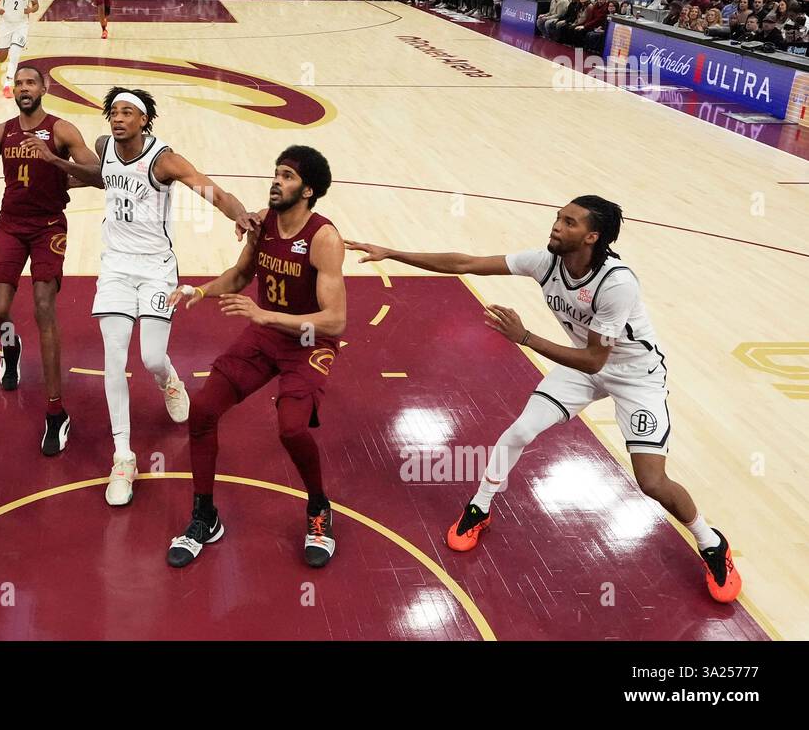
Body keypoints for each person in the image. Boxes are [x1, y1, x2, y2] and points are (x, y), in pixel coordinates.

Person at [344, 196, 742, 603]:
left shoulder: (616, 283)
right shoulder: (544, 261)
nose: (555, 226)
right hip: (583, 364)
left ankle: (711, 543)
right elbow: (464, 263)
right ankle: (479, 508)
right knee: (519, 431)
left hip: (634, 377)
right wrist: (393, 253)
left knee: (652, 482)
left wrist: (525, 338)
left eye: (568, 222)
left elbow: (593, 359)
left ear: (592, 236)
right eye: (557, 218)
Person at [165, 146, 346, 568]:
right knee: (203, 410)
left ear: (308, 190)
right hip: (265, 336)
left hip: (308, 342)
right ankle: (204, 516)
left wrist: (264, 314)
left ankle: (318, 508)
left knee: (291, 429)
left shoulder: (324, 238)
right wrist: (201, 290)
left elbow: (335, 321)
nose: (276, 182)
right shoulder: (262, 224)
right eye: (276, 173)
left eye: (287, 176)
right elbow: (242, 275)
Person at [84, 87, 259, 506]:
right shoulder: (103, 146)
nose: (119, 118)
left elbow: (209, 188)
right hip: (115, 266)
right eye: (114, 111)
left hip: (157, 269)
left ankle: (169, 380)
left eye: (128, 112)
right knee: (113, 356)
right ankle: (123, 457)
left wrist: (239, 214)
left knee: (151, 358)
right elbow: (98, 176)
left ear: (145, 120)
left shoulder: (164, 160)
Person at [0, 65, 102, 454]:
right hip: (9, 226)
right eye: (19, 83)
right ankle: (10, 346)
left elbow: (98, 175)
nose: (24, 88)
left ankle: (56, 413)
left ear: (44, 88)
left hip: (48, 227)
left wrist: (55, 161)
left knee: (44, 307)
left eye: (30, 83)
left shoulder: (62, 130)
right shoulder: (1, 133)